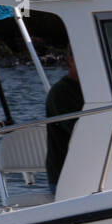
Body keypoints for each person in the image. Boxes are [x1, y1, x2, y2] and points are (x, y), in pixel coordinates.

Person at [45, 52, 83, 192]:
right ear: (72, 60)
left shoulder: (94, 91)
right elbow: (80, 133)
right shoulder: (60, 93)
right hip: (66, 178)